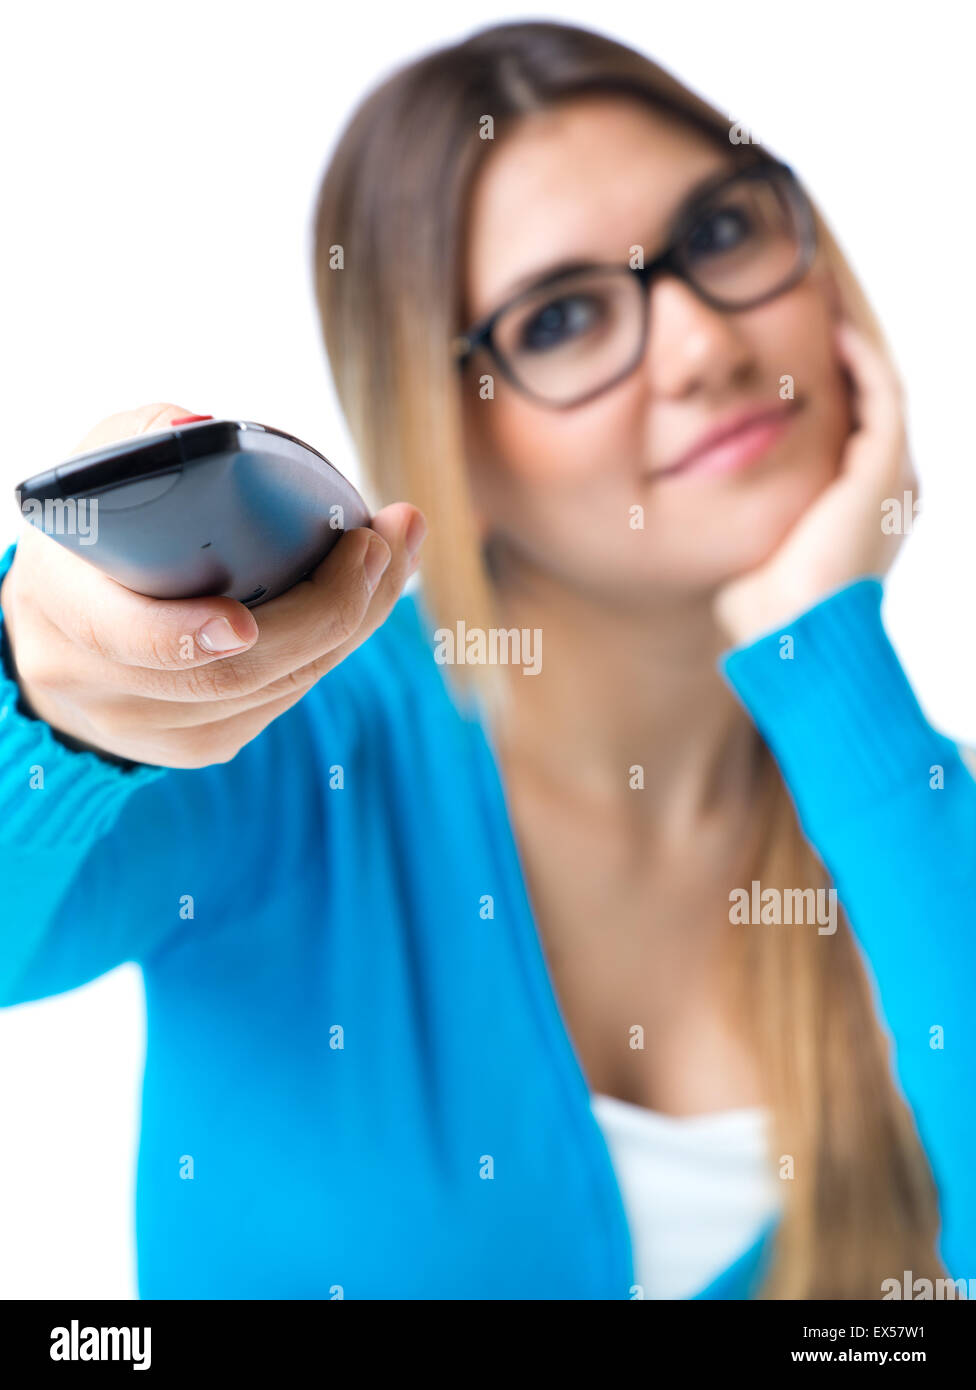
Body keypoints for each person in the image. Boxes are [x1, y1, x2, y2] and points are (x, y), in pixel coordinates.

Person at [1, 20, 973, 1300]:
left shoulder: (905, 803)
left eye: (723, 234)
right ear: (448, 436)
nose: (701, 347)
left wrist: (826, 653)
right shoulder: (288, 742)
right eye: (564, 317)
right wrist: (46, 685)